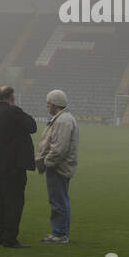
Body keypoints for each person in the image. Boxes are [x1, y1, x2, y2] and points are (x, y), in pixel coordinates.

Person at [0, 86, 37, 249]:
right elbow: (32, 127)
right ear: (12, 97)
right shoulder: (15, 112)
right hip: (14, 166)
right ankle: (10, 238)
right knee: (14, 203)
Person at [36, 89, 79, 243]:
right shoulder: (63, 118)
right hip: (60, 166)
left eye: (48, 103)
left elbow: (59, 148)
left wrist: (47, 163)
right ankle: (60, 232)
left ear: (54, 104)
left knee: (58, 201)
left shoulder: (62, 121)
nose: (47, 106)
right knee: (60, 200)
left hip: (58, 168)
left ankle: (60, 234)